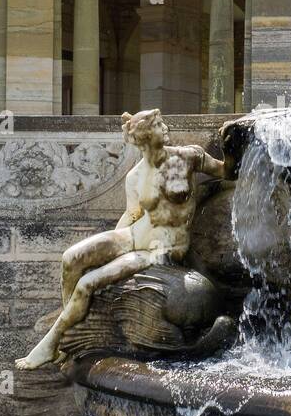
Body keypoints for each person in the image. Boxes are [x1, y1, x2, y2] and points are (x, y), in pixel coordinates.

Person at [16, 109, 230, 370]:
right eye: (158, 124)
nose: (165, 128)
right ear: (145, 136)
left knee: (87, 283)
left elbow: (225, 171)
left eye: (162, 122)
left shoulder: (188, 157)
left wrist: (234, 145)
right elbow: (131, 216)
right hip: (133, 236)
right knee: (71, 258)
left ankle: (52, 342)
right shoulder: (135, 176)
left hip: (162, 249)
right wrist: (112, 250)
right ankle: (73, 324)